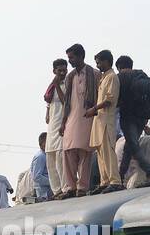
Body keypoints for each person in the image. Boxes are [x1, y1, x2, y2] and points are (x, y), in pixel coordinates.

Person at [58, 44, 98, 198]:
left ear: (81, 56)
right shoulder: (70, 77)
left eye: (71, 58)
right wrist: (63, 122)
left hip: (87, 117)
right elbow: (66, 102)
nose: (70, 61)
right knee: (67, 151)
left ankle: (82, 187)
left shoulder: (94, 74)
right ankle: (70, 187)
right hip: (71, 118)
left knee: (85, 152)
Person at [113, 55, 150, 189]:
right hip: (142, 117)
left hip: (128, 117)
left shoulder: (120, 77)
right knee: (129, 146)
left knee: (133, 145)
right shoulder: (141, 75)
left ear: (119, 67)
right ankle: (120, 177)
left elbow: (116, 100)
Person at [87, 50, 121, 193]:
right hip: (99, 120)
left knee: (108, 152)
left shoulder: (112, 77)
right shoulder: (103, 78)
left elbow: (109, 99)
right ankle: (104, 181)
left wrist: (93, 108)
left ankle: (115, 181)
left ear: (107, 61)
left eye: (99, 62)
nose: (98, 65)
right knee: (100, 153)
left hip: (107, 120)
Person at [43, 58, 68, 197]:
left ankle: (65, 188)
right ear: (54, 71)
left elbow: (65, 101)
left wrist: (58, 84)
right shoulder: (51, 85)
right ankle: (56, 190)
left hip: (62, 123)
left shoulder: (66, 84)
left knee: (60, 157)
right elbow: (48, 100)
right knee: (50, 156)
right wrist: (47, 113)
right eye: (60, 70)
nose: (62, 72)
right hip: (52, 123)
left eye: (64, 70)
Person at [31, 132, 52, 201]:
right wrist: (52, 182)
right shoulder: (40, 156)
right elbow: (37, 177)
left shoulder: (46, 155)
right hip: (44, 194)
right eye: (48, 141)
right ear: (43, 143)